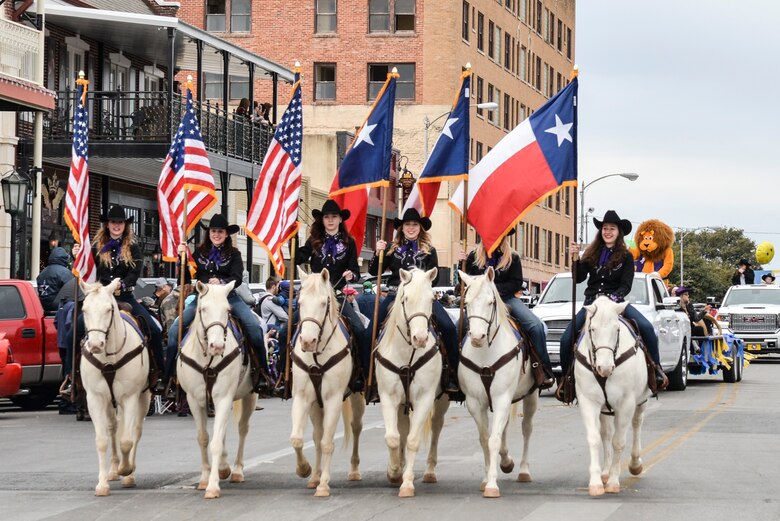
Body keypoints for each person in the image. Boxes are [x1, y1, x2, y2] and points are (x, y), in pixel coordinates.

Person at [557, 210, 667, 401]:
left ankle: (656, 370)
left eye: (612, 229)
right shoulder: (591, 253)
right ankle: (567, 380)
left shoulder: (626, 256)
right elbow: (578, 278)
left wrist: (613, 299)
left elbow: (626, 284)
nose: (608, 232)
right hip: (592, 304)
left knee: (647, 328)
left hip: (616, 303)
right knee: (566, 339)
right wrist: (575, 259)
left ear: (618, 232)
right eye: (605, 228)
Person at [166, 214, 270, 393]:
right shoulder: (198, 254)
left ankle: (262, 372)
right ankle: (169, 377)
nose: (216, 234)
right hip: (203, 298)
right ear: (209, 233)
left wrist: (222, 282)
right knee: (175, 330)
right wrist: (181, 259)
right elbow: (185, 279)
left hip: (228, 297)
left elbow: (237, 278)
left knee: (254, 327)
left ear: (226, 234)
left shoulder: (234, 254)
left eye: (220, 231)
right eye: (213, 231)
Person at [70, 205, 165, 390]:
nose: (116, 225)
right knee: (74, 331)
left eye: (120, 222)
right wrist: (76, 256)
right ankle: (71, 375)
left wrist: (123, 284)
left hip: (125, 297)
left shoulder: (133, 247)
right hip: (101, 298)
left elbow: (135, 273)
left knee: (153, 329)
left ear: (125, 225)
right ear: (107, 224)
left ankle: (159, 373)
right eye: (113, 222)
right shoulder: (96, 246)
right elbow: (86, 267)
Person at [370, 208, 460, 393]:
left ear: (420, 228)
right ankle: (369, 375)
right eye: (407, 225)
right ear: (402, 228)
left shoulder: (429, 250)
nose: (411, 228)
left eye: (414, 225)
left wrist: (421, 280)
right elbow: (373, 271)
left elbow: (435, 278)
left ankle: (453, 374)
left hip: (422, 298)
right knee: (368, 331)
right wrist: (377, 253)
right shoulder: (390, 249)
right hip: (396, 296)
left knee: (449, 328)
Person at [460, 230, 555, 387]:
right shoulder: (473, 256)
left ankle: (542, 368)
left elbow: (516, 282)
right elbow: (466, 282)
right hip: (481, 302)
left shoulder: (512, 257)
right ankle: (454, 372)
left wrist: (494, 290)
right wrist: (461, 264)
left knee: (536, 326)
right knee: (458, 326)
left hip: (507, 299)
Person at [295, 200, 370, 392]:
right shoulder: (313, 241)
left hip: (337, 296)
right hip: (315, 297)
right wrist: (290, 239)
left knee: (360, 330)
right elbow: (298, 258)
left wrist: (351, 274)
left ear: (340, 220)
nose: (330, 220)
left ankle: (363, 373)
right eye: (327, 217)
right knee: (286, 328)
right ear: (322, 220)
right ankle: (284, 373)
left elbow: (355, 271)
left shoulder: (349, 243)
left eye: (334, 217)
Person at [36, 247, 74, 313]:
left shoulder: (42, 273)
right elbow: (72, 292)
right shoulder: (65, 273)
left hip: (42, 309)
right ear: (65, 258)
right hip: (60, 311)